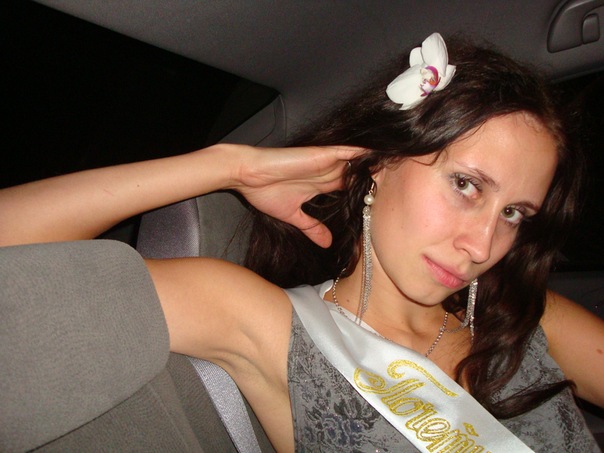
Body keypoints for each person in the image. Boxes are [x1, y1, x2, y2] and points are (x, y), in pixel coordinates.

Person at [0, 33, 602, 452]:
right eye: (466, 185)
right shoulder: (268, 325)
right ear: (381, 162)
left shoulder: (525, 318)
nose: (483, 245)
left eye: (514, 214)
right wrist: (230, 167)